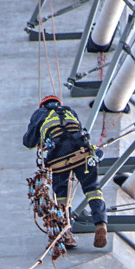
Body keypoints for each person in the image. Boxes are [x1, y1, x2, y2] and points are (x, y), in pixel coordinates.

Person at [23, 95, 108, 248]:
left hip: (59, 157)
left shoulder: (39, 113)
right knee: (92, 190)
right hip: (82, 152)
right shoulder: (70, 111)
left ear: (43, 105)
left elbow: (28, 143)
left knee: (61, 196)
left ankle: (65, 234)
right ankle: (101, 223)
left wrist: (40, 140)